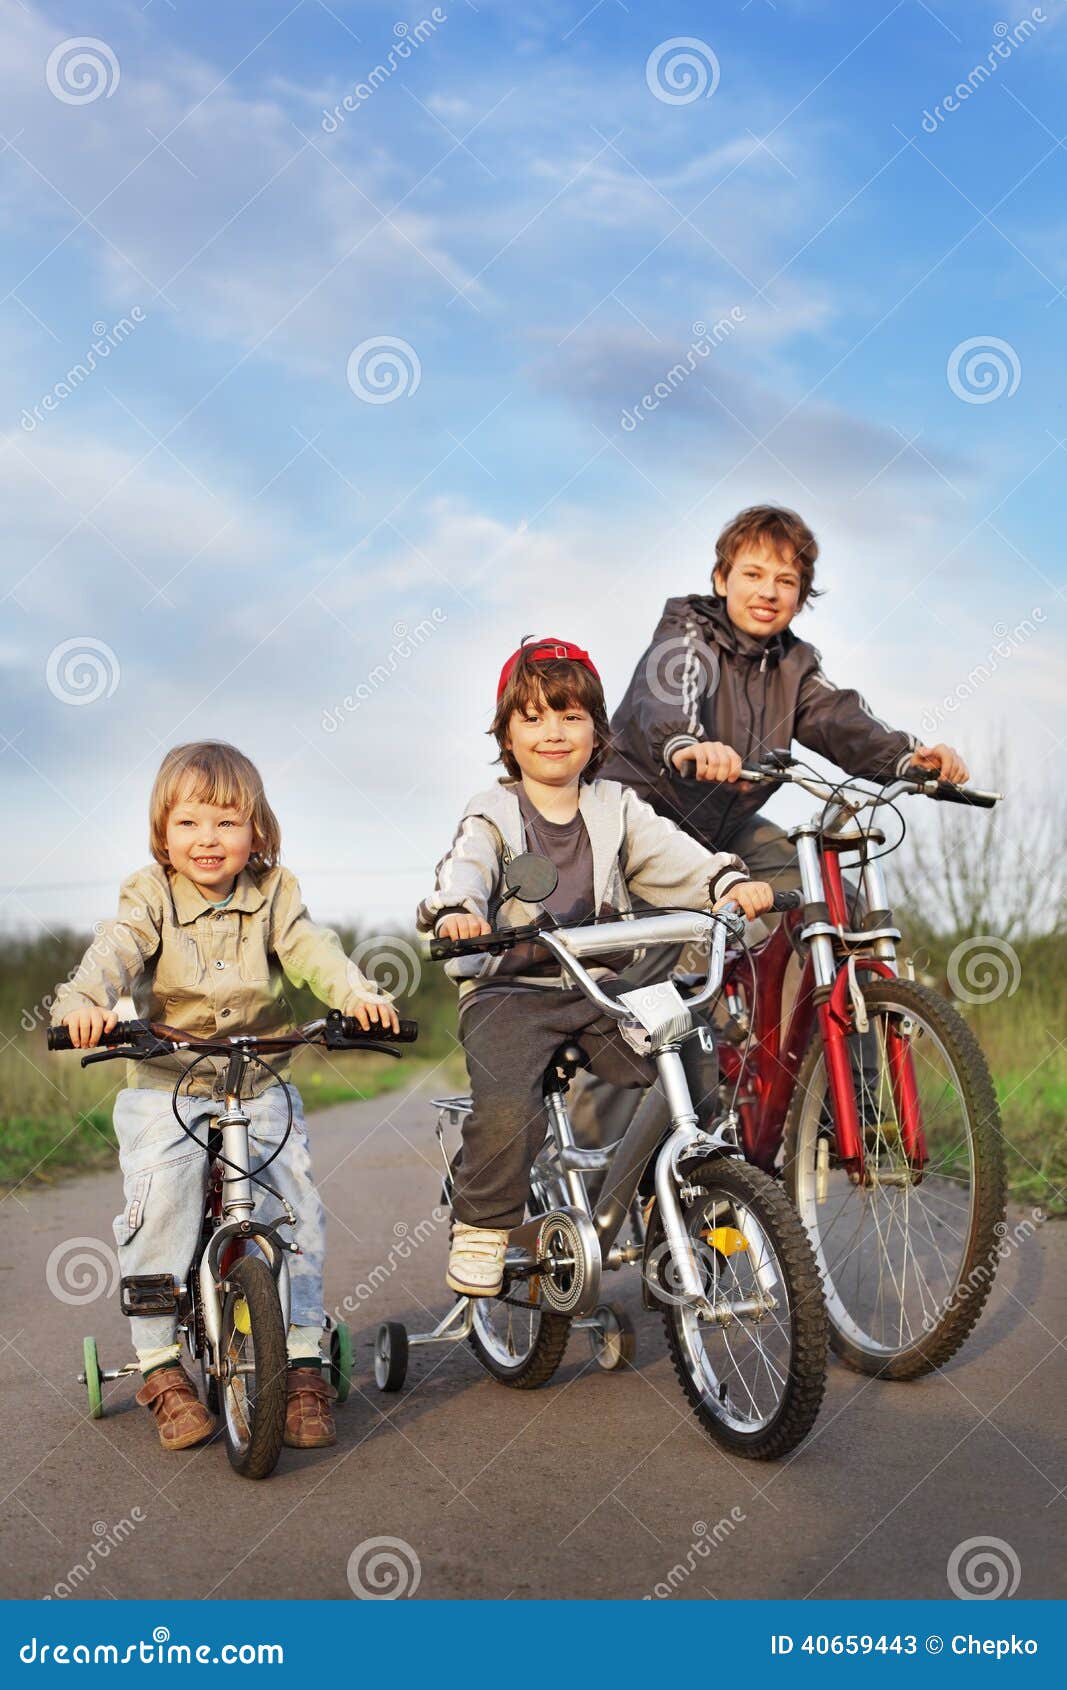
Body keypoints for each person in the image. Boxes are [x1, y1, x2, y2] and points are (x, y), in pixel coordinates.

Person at [570, 503, 969, 1147]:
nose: (768, 592)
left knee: (830, 904)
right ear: (722, 578)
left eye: (786, 582)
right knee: (648, 1000)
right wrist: (684, 744)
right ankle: (593, 1160)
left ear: (801, 596)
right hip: (645, 828)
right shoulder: (684, 637)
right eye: (753, 574)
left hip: (728, 832)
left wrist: (906, 757)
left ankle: (854, 1098)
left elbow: (840, 720)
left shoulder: (794, 666)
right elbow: (665, 696)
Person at [51, 740, 398, 1452]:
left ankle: (301, 1359)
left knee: (291, 1201)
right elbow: (113, 951)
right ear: (162, 834)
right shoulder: (148, 895)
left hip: (258, 1075)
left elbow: (313, 952)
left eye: (226, 822)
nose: (207, 839)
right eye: (188, 823)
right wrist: (86, 1001)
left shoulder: (276, 893)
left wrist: (357, 994)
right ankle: (158, 1366)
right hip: (165, 1077)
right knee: (165, 1199)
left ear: (256, 833)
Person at [415, 636, 773, 1298]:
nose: (553, 732)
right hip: (510, 991)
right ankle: (482, 1223)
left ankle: (668, 1200)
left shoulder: (615, 807)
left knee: (680, 1060)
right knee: (507, 1109)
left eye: (570, 715)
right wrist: (457, 913)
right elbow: (464, 869)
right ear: (506, 732)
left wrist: (724, 882)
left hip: (600, 987)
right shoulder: (492, 811)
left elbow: (675, 857)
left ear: (595, 729)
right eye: (533, 717)